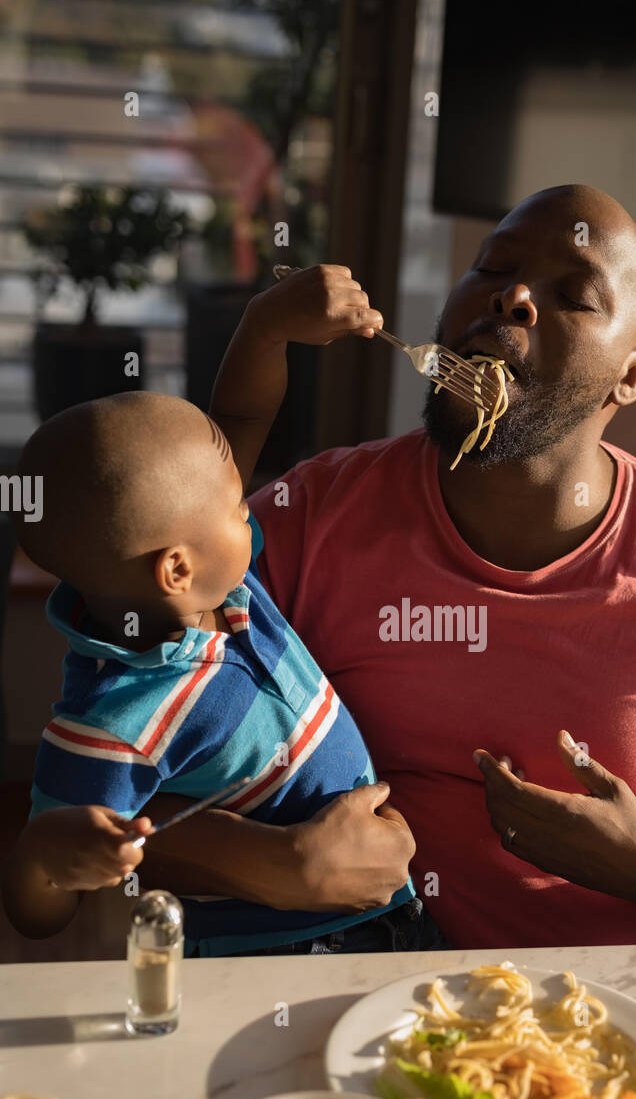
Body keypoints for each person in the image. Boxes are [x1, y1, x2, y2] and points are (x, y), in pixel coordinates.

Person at [105, 185, 636, 947]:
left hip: (605, 1031)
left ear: (630, 378)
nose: (514, 297)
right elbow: (98, 795)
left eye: (575, 295)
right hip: (343, 1016)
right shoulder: (309, 519)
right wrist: (275, 864)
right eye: (493, 267)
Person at [2, 268, 428, 955]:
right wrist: (51, 858)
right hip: (283, 952)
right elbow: (34, 912)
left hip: (383, 914)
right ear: (175, 568)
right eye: (236, 504)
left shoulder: (215, 586)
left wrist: (267, 326)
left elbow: (240, 417)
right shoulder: (113, 721)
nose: (249, 506)